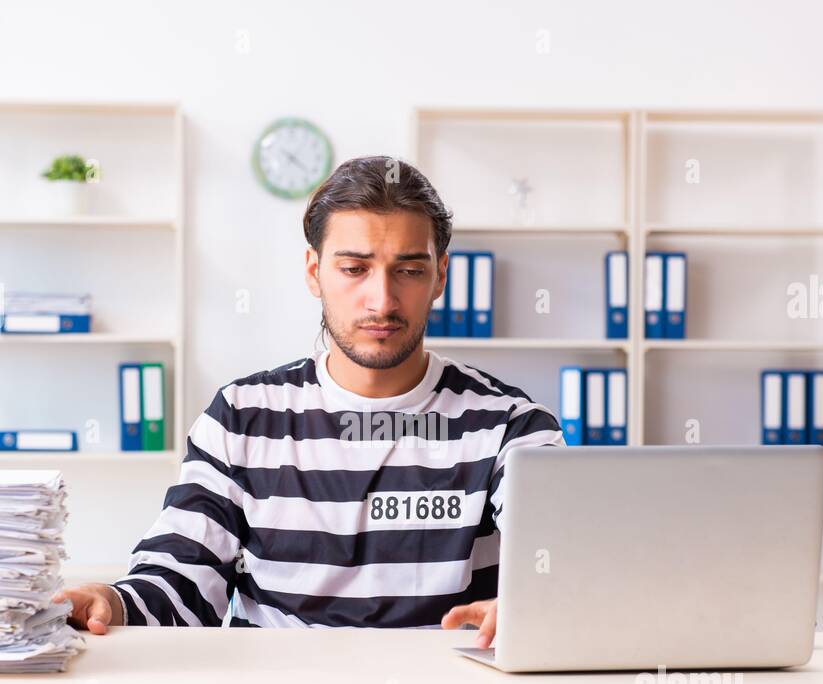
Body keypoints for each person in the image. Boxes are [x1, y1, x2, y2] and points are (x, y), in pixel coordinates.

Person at [54, 155, 564, 647]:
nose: (381, 300)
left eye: (408, 271)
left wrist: (541, 603)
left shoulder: (512, 426)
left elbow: (566, 565)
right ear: (313, 271)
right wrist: (112, 602)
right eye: (354, 268)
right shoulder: (242, 418)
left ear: (441, 277)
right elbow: (184, 581)